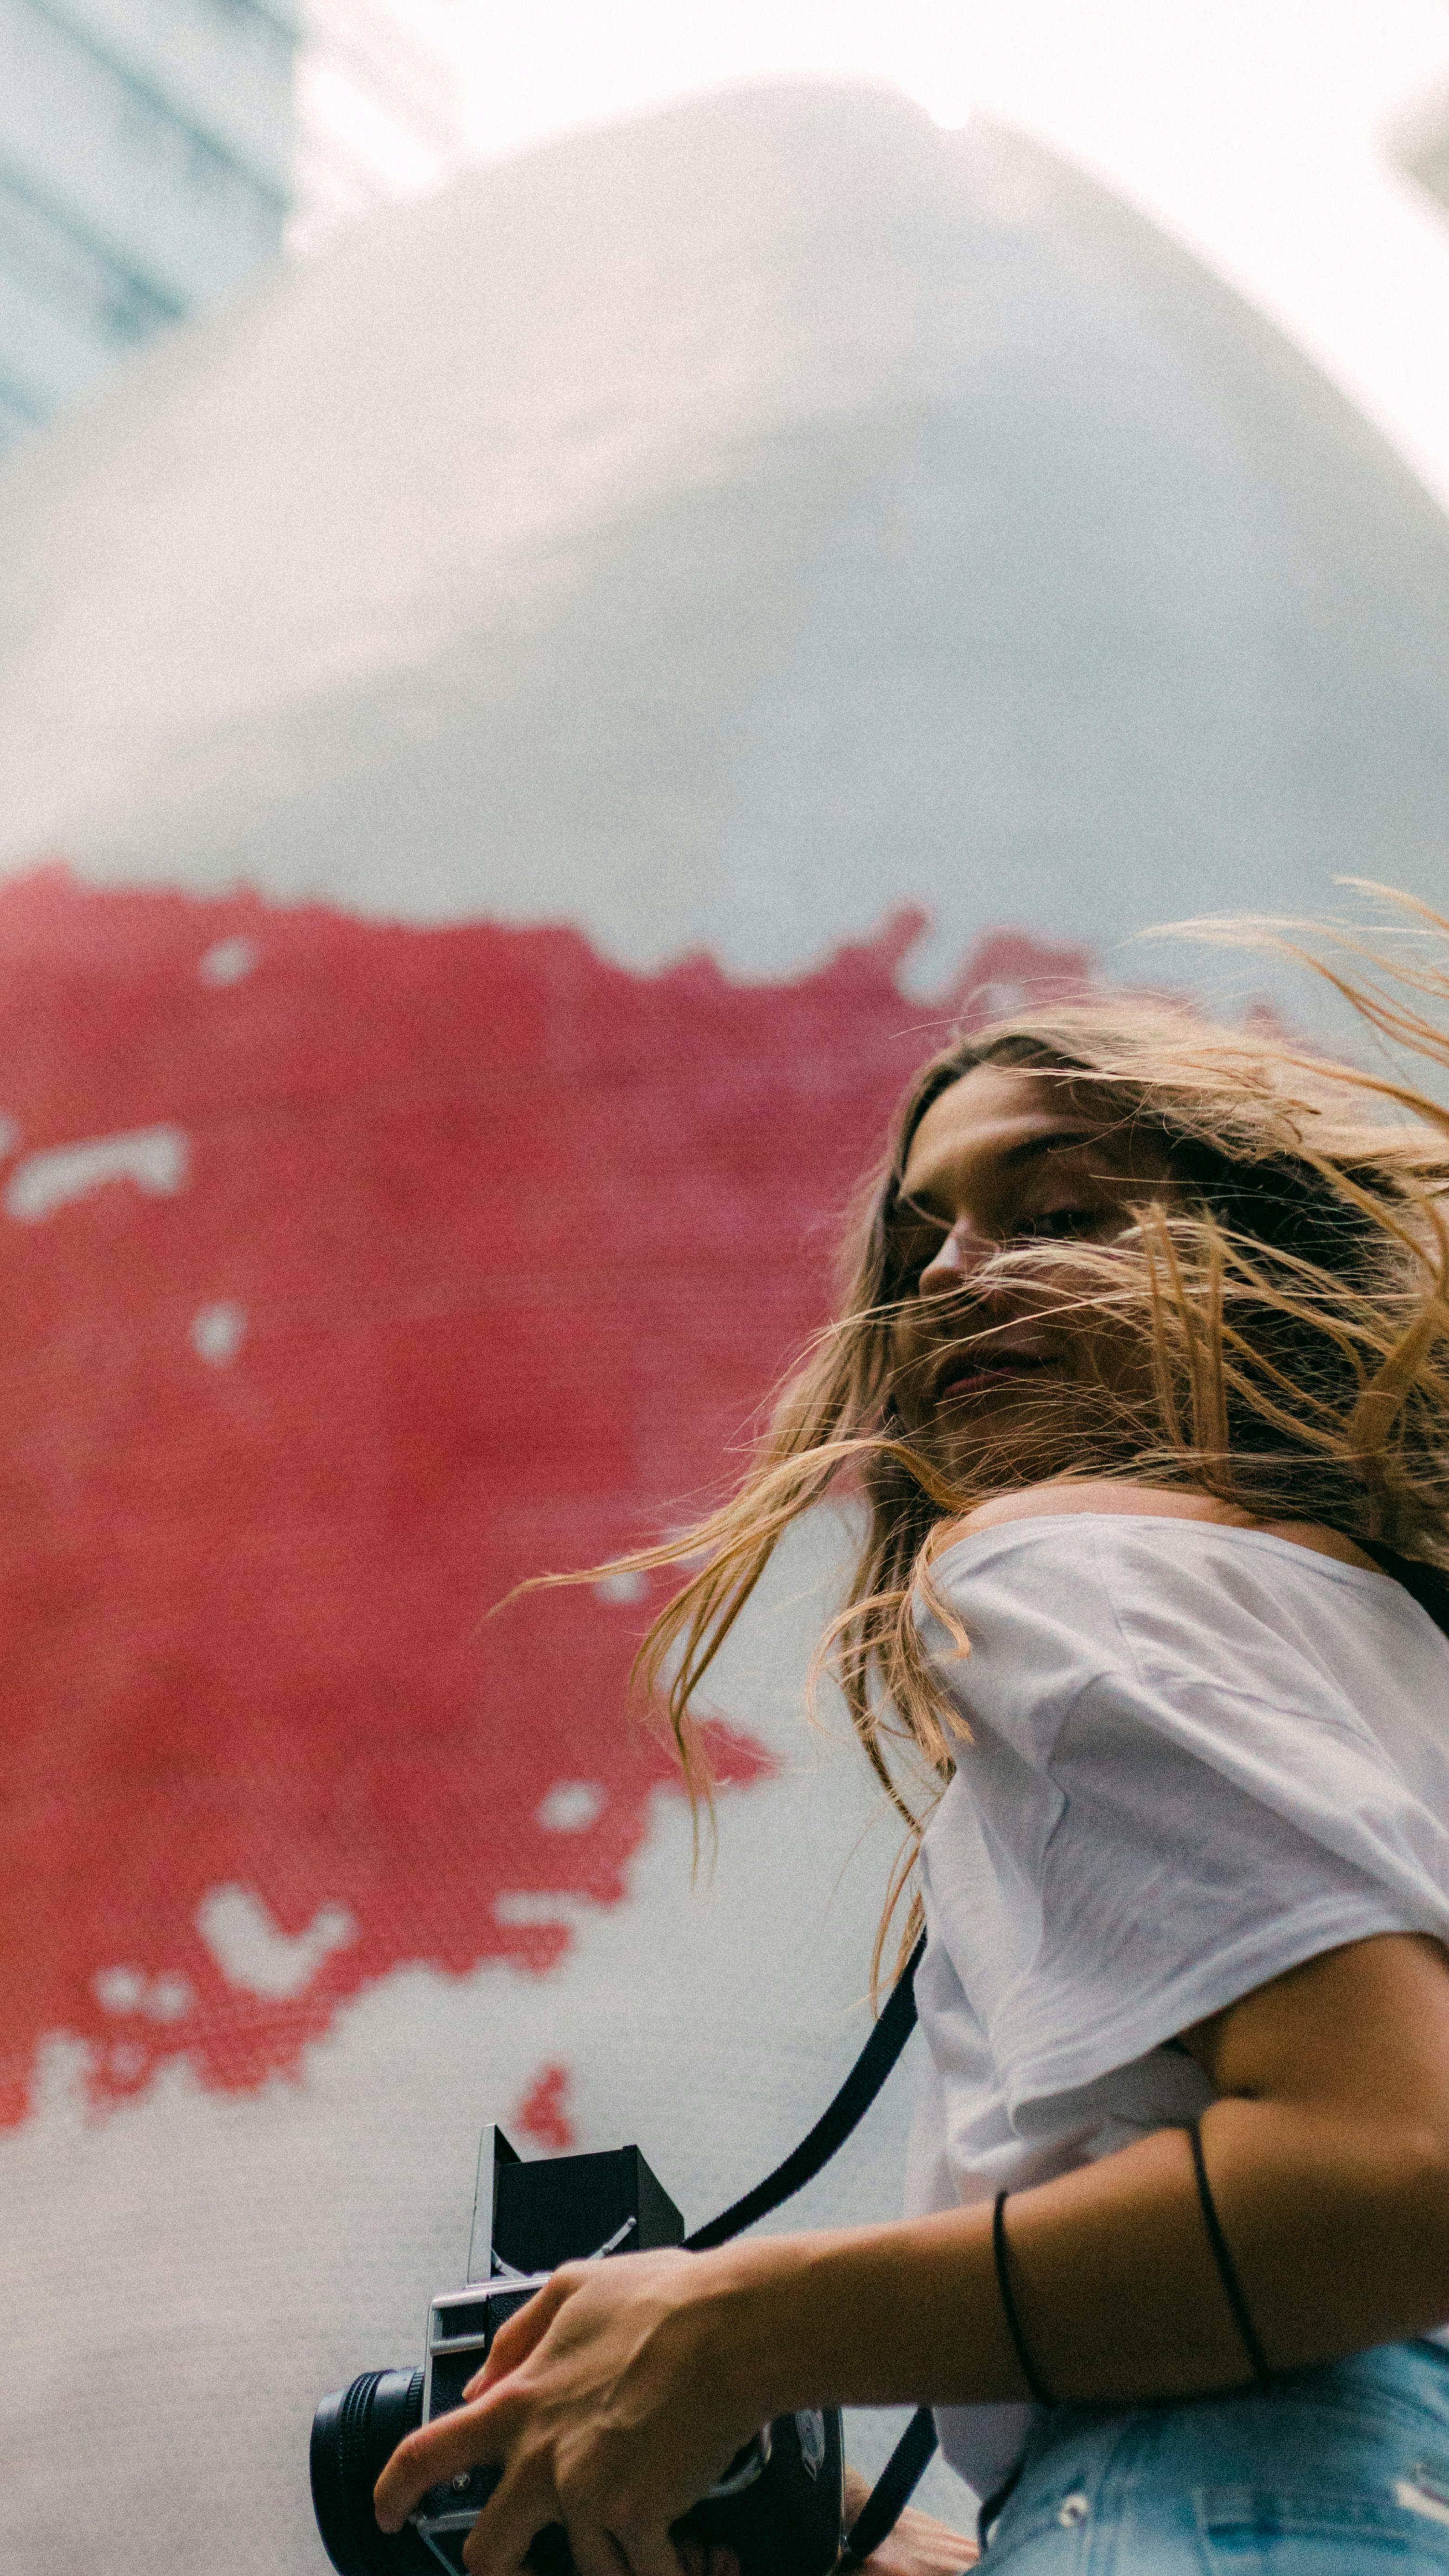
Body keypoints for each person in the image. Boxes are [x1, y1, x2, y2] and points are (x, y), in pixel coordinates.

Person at [375, 895, 1449, 2572]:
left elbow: (1391, 2179)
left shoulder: (1063, 1563)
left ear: (1266, 1262)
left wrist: (732, 2325)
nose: (950, 1277)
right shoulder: (1392, 1654)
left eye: (1060, 1210)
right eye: (922, 1242)